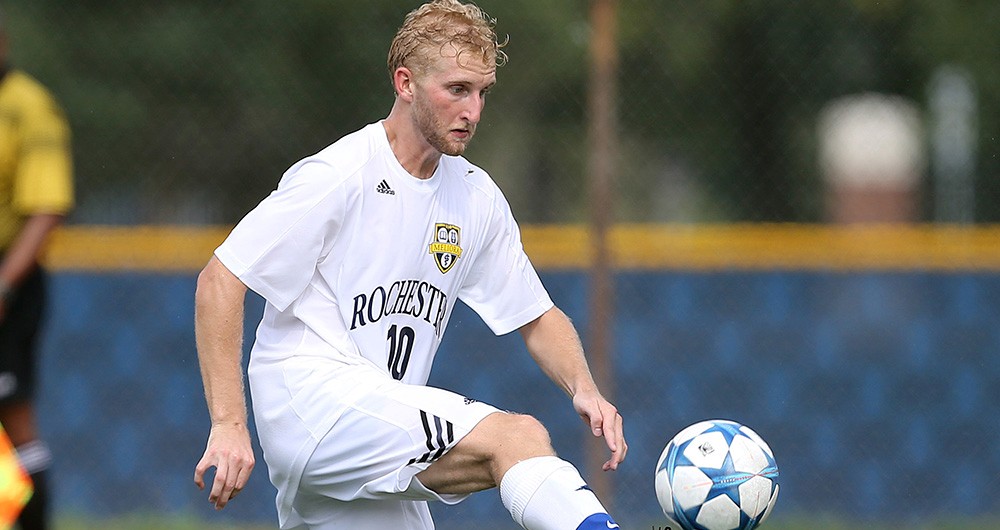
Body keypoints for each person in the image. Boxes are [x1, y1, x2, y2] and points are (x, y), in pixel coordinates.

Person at [193, 1, 626, 528]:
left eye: (483, 92)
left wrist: (583, 386)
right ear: (406, 83)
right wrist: (229, 425)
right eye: (458, 89)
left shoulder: (475, 197)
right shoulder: (339, 173)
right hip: (313, 405)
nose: (474, 110)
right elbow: (220, 280)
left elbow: (534, 315)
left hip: (374, 429)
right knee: (516, 437)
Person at [0, 14, 74, 530]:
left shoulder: (28, 107)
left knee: (12, 412)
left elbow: (46, 208)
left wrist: (5, 284)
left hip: (9, 280)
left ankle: (34, 521)